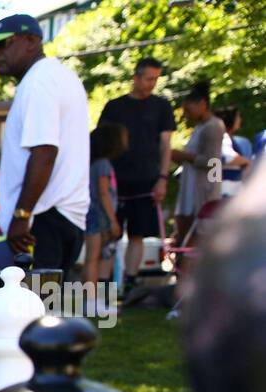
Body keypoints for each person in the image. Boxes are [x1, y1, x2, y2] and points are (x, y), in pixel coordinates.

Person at [0, 14, 89, 273]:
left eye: (3, 44)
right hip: (63, 217)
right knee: (54, 306)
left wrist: (21, 215)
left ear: (32, 41)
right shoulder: (61, 76)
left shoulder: (39, 81)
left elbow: (45, 151)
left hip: (42, 221)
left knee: (35, 309)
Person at [99, 58, 176, 296]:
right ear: (136, 77)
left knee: (137, 235)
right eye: (148, 78)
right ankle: (104, 287)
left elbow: (166, 146)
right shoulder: (115, 107)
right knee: (109, 234)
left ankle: (131, 283)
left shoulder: (161, 106)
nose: (152, 83)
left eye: (156, 79)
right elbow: (101, 142)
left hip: (147, 182)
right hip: (114, 182)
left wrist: (163, 178)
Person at [171, 83, 225, 243]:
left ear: (202, 104)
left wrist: (185, 156)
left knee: (198, 237)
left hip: (203, 192)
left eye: (189, 110)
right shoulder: (200, 127)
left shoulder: (213, 127)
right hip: (191, 187)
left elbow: (214, 163)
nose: (186, 115)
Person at [83, 122, 125, 316]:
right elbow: (104, 193)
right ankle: (91, 301)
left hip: (94, 214)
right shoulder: (103, 165)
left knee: (96, 258)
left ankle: (95, 300)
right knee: (94, 258)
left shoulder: (92, 163)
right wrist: (113, 220)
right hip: (98, 214)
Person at [216, 107, 253, 197]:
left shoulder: (218, 137)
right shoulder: (223, 137)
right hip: (226, 191)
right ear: (230, 119)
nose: (240, 119)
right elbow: (228, 157)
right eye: (238, 116)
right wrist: (246, 162)